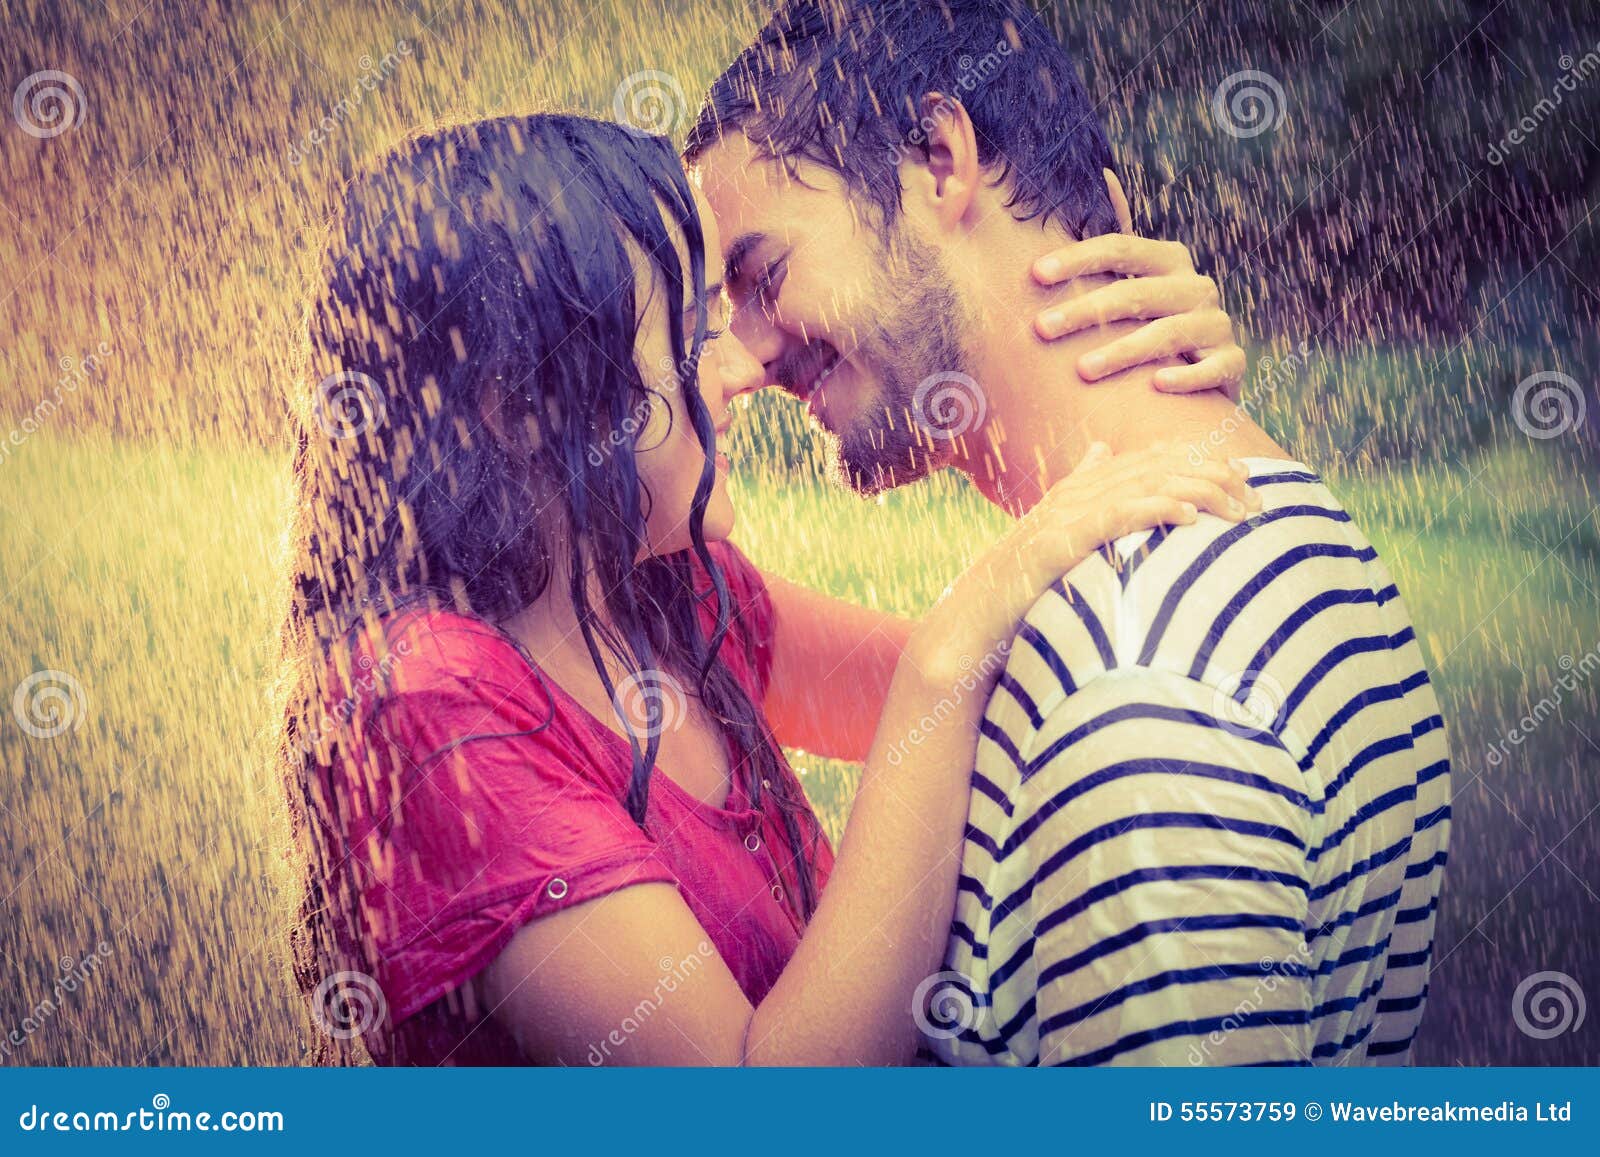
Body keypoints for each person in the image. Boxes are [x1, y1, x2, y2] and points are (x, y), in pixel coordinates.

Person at [278, 111, 1258, 1065]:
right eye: (694, 330)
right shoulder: (421, 702)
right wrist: (947, 647)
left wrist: (1137, 375)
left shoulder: (670, 596)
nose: (745, 365)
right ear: (525, 404)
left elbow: (1013, 702)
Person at [687, 0, 1451, 1065]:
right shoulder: (1305, 537)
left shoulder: (1138, 696)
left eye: (765, 279)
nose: (751, 355)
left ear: (942, 160)